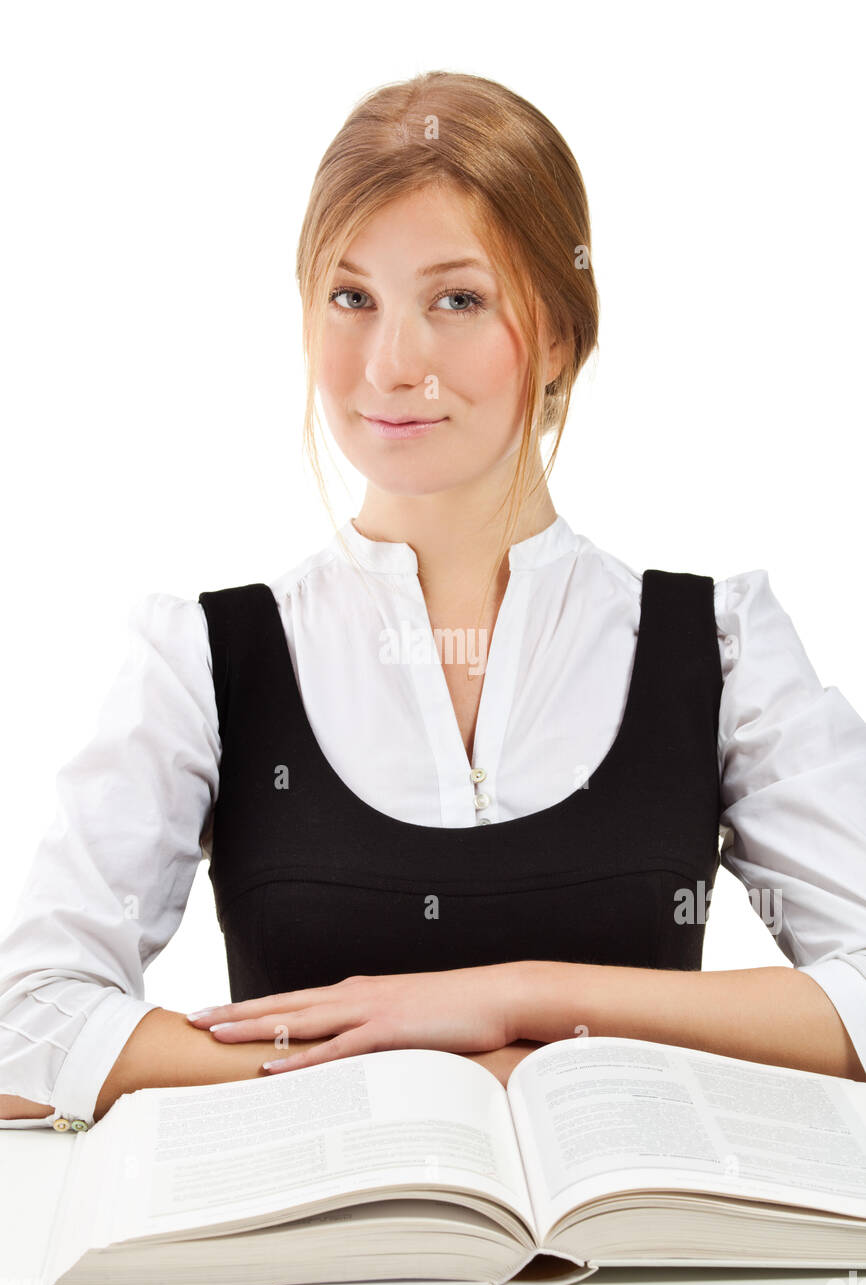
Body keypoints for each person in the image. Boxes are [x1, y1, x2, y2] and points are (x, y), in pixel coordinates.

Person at [2, 71, 865, 1135]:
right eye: (350, 298)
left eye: (455, 300)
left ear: (557, 337)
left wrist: (515, 997)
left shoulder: (718, 646)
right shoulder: (206, 657)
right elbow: (27, 1026)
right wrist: (441, 1076)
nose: (390, 363)